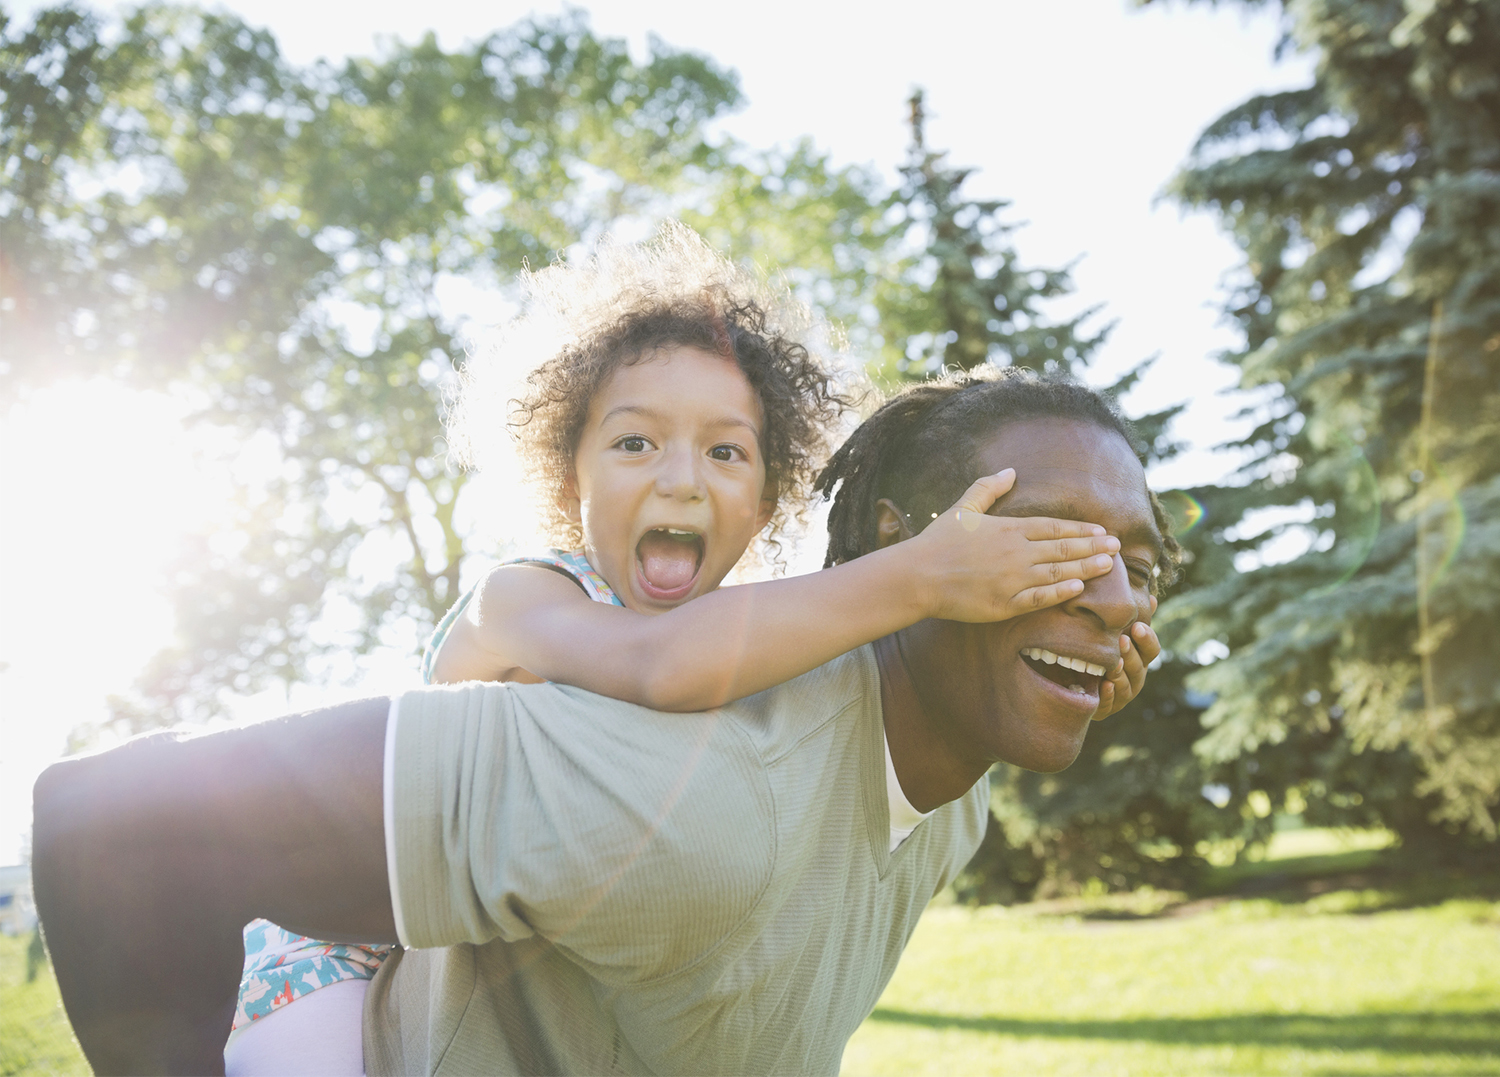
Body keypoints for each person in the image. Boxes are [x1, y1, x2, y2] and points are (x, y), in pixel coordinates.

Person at [32, 365, 1172, 1076]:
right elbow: (111, 824)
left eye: (1139, 564)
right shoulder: (682, 771)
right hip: (316, 979)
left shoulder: (951, 786)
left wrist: (1060, 666)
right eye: (1050, 544)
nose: (1119, 598)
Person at [225, 228, 1129, 1073]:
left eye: (726, 453)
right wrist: (920, 575)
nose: (681, 478)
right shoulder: (523, 598)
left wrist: (1070, 672)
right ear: (569, 476)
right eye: (634, 442)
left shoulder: (734, 636)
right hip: (324, 951)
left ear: (766, 504)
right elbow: (655, 663)